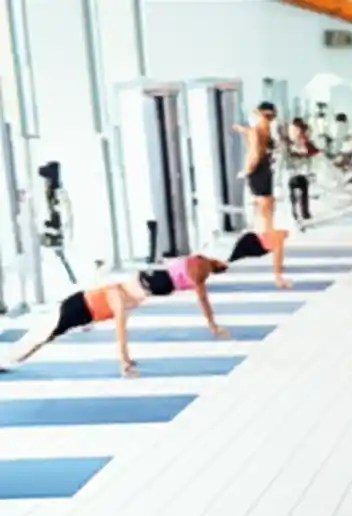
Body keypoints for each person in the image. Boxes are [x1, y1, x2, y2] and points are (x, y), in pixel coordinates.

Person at [2, 255, 230, 377]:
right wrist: (123, 360)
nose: (146, 295)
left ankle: (8, 359)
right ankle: (7, 358)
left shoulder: (132, 296)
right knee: (35, 341)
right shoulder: (120, 298)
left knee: (36, 342)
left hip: (82, 312)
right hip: (71, 309)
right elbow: (120, 332)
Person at [235, 102, 281, 275]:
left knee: (260, 205)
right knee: (267, 204)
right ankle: (269, 237)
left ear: (260, 114)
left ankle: (263, 240)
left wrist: (245, 171)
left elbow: (254, 153)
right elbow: (260, 142)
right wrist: (243, 130)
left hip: (257, 170)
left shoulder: (256, 130)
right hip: (266, 170)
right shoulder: (266, 129)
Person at [226, 229, 291, 290]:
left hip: (252, 241)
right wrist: (278, 277)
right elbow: (278, 252)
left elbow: (278, 252)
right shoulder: (277, 235)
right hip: (253, 242)